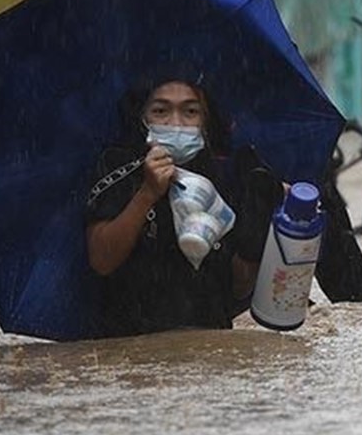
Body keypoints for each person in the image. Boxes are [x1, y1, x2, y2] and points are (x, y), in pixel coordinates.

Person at [85, 75, 282, 337]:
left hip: (209, 344)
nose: (176, 124)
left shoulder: (224, 175)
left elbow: (238, 288)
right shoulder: (118, 167)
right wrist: (147, 193)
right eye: (160, 111)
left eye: (190, 112)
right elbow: (102, 259)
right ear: (142, 117)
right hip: (129, 344)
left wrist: (255, 231)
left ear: (205, 120)